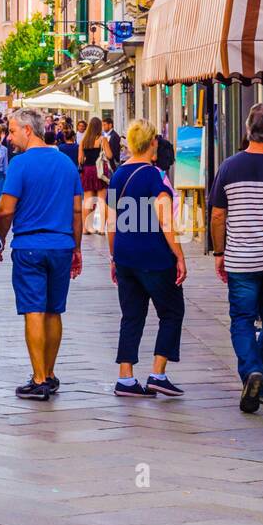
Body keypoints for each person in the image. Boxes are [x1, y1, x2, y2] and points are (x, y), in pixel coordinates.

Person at [0, 108, 83, 402]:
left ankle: (39, 378)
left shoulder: (20, 165)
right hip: (61, 245)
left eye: (12, 131)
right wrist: (77, 246)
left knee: (34, 310)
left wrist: (0, 237)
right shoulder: (66, 163)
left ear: (28, 131)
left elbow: (6, 208)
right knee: (55, 310)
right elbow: (77, 210)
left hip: (30, 245)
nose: (9, 137)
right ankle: (50, 371)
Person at [106, 120, 187, 398]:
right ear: (152, 142)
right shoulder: (154, 176)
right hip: (154, 257)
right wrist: (179, 255)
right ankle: (158, 373)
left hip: (126, 255)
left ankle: (125, 378)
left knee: (131, 316)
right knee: (172, 312)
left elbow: (110, 223)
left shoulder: (118, 175)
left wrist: (113, 257)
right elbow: (165, 221)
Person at [209, 102, 263, 415]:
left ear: (248, 129)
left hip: (241, 261)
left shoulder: (229, 167)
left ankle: (251, 371)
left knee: (243, 321)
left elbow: (218, 215)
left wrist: (219, 252)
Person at [79, 116, 111, 234]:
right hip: (100, 171)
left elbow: (80, 160)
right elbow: (109, 155)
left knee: (87, 200)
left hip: (87, 170)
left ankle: (85, 228)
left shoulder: (83, 140)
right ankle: (102, 228)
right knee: (101, 200)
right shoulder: (102, 139)